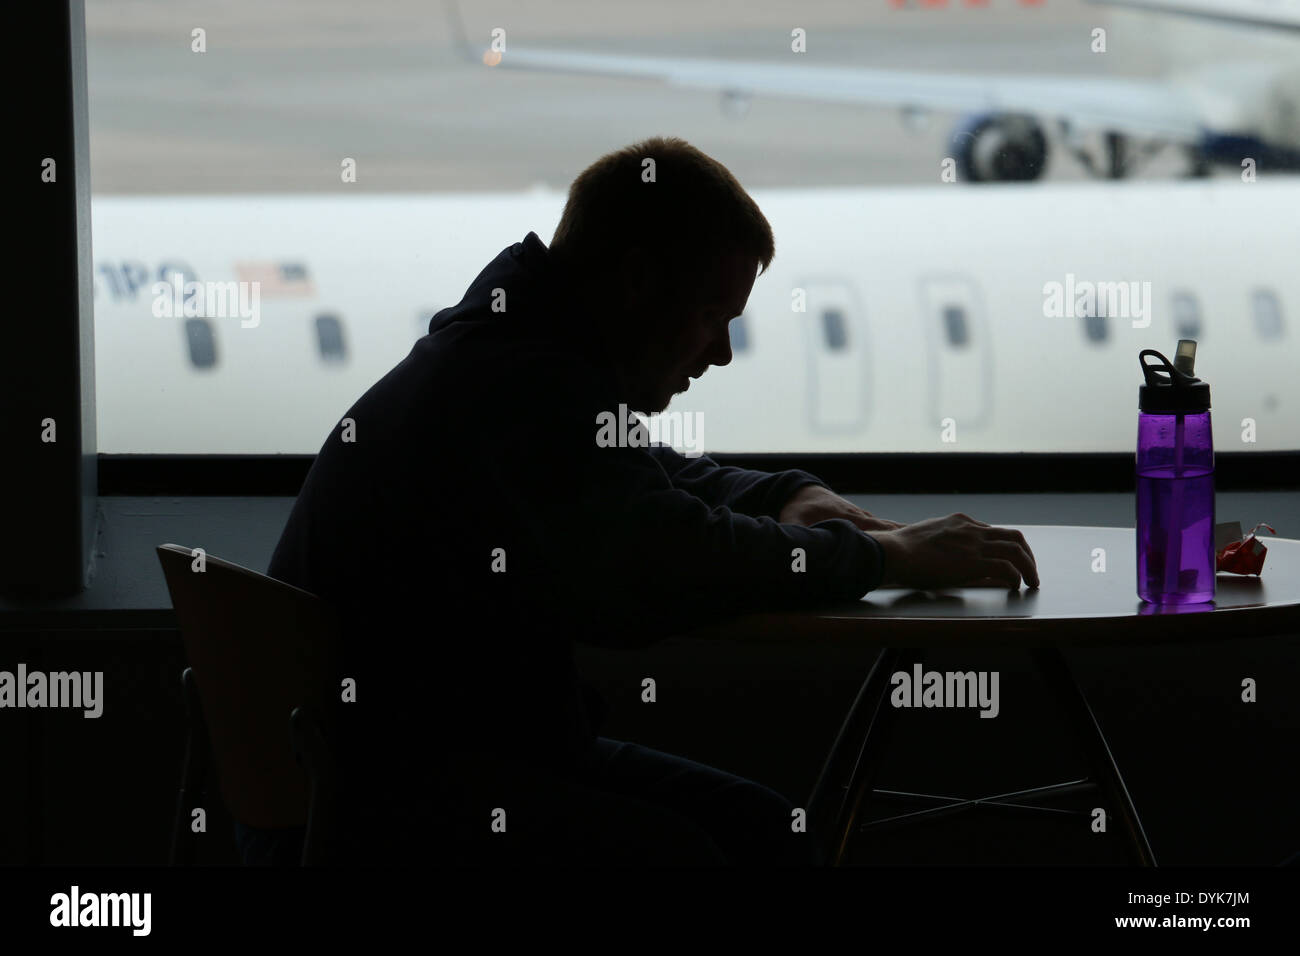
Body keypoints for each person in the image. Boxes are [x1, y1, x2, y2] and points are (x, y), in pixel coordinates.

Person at [247, 135, 1039, 866]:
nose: (722, 354)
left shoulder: (504, 352)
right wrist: (881, 554)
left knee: (764, 832)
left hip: (384, 771)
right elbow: (654, 563)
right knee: (721, 845)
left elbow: (632, 476)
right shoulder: (526, 383)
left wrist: (785, 495)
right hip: (398, 804)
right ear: (634, 284)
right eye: (709, 317)